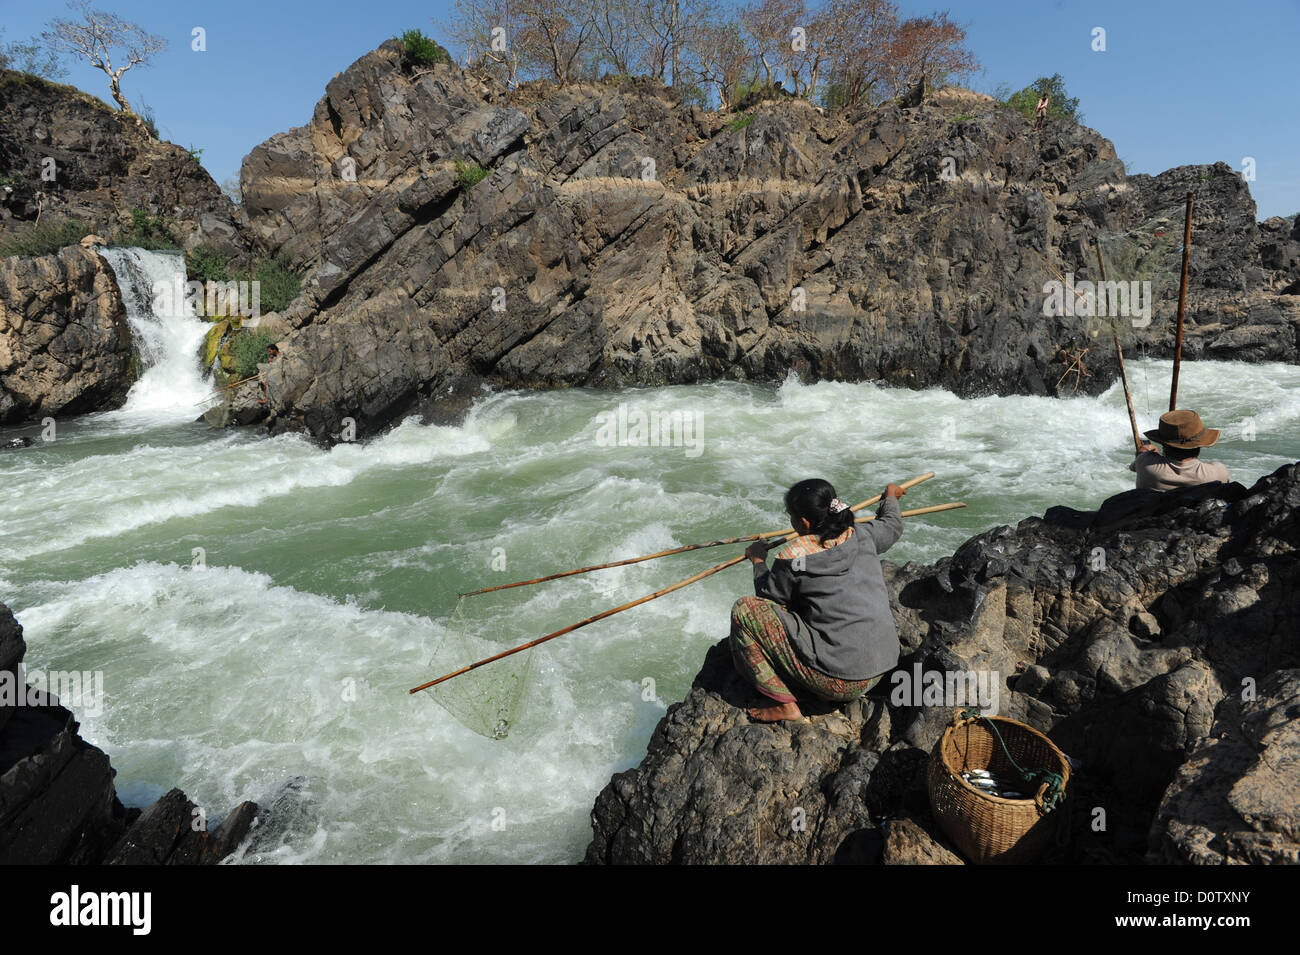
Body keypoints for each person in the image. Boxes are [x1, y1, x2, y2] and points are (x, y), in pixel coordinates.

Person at [730, 478, 906, 723]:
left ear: (803, 522)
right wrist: (891, 498)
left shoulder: (794, 558)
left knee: (744, 610)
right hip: (881, 668)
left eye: (791, 516)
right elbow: (892, 524)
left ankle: (785, 705)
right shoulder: (864, 534)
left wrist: (758, 561)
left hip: (839, 680)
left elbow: (768, 599)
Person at [1129, 409, 1229, 492]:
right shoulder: (1218, 472)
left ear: (1164, 444)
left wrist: (1145, 452)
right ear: (1199, 444)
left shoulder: (1144, 463)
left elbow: (1135, 466)